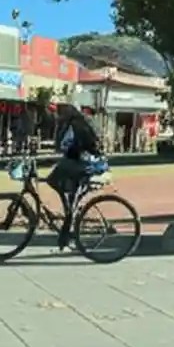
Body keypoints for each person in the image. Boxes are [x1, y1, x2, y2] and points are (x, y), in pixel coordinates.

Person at [46, 105, 106, 247]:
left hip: (85, 164)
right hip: (87, 161)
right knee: (63, 183)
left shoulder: (75, 124)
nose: (58, 117)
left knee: (54, 179)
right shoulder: (81, 121)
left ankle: (68, 225)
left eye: (59, 114)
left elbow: (73, 147)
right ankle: (68, 219)